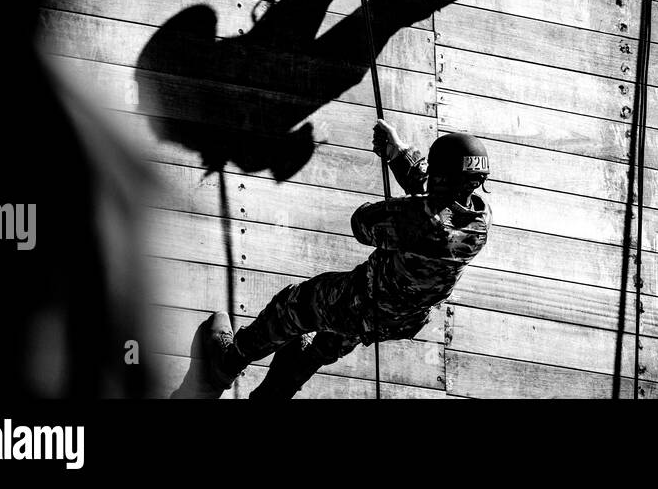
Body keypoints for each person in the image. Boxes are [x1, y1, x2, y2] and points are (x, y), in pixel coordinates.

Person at [199, 119, 491, 398]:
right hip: (403, 319)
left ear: (442, 177)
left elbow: (362, 225)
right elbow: (435, 191)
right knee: (329, 342)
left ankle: (227, 363)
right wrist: (398, 153)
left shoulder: (414, 220)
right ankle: (274, 393)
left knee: (290, 307)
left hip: (360, 301)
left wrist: (398, 205)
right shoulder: (480, 219)